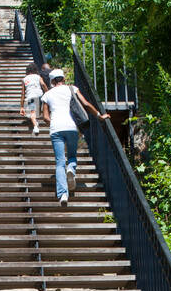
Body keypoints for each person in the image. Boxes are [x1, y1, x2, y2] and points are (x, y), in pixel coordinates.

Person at [40, 68, 108, 206]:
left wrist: (52, 122)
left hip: (56, 129)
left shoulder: (47, 95)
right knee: (71, 155)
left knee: (59, 162)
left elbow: (45, 117)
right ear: (63, 78)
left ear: (52, 81)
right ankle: (71, 169)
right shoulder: (72, 88)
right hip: (71, 127)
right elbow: (86, 104)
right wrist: (100, 116)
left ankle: (63, 194)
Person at [19, 61, 44, 134]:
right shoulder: (38, 77)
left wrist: (22, 106)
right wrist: (47, 92)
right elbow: (43, 84)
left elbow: (23, 93)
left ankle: (35, 127)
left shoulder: (24, 79)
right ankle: (35, 121)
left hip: (30, 96)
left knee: (32, 112)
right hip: (39, 95)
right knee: (37, 111)